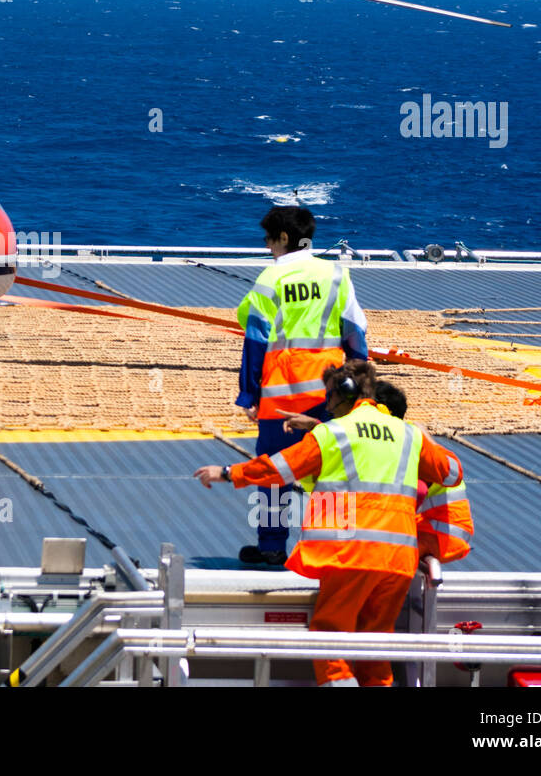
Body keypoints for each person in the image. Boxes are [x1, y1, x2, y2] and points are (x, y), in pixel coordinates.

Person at [194, 360, 465, 686]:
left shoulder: (332, 433)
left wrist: (227, 473)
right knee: (376, 643)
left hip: (352, 553)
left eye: (331, 395)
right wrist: (424, 440)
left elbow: (278, 469)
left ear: (346, 393)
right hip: (399, 560)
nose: (327, 403)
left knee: (327, 633)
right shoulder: (408, 435)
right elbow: (451, 472)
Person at [233, 205, 368, 565]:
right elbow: (355, 327)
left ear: (282, 239)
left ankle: (273, 546)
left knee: (274, 469)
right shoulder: (336, 274)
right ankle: (332, 546)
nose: (266, 246)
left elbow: (255, 336)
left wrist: (248, 393)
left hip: (282, 395)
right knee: (331, 467)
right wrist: (362, 376)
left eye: (268, 239)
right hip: (331, 394)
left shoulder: (271, 278)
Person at [373, 380, 474, 564]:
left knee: (372, 556)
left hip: (438, 534)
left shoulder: (405, 440)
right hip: (432, 530)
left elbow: (421, 489)